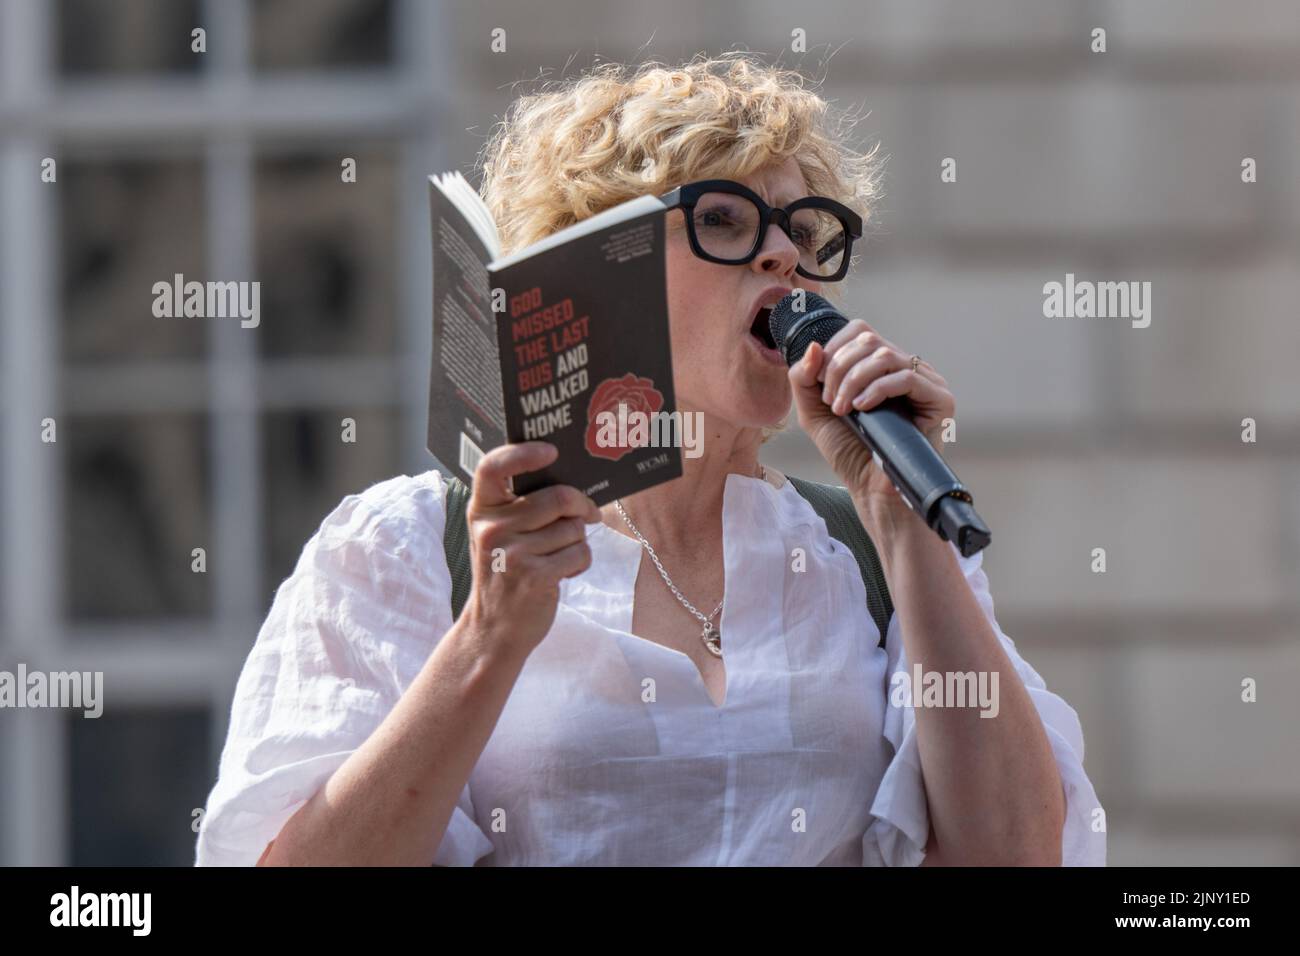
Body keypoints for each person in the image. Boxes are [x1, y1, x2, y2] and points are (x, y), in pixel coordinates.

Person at [196, 53, 1105, 866]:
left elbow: (1021, 854)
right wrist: (490, 635)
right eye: (726, 217)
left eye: (805, 229)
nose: (786, 253)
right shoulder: (407, 546)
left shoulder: (861, 552)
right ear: (597, 270)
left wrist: (906, 528)